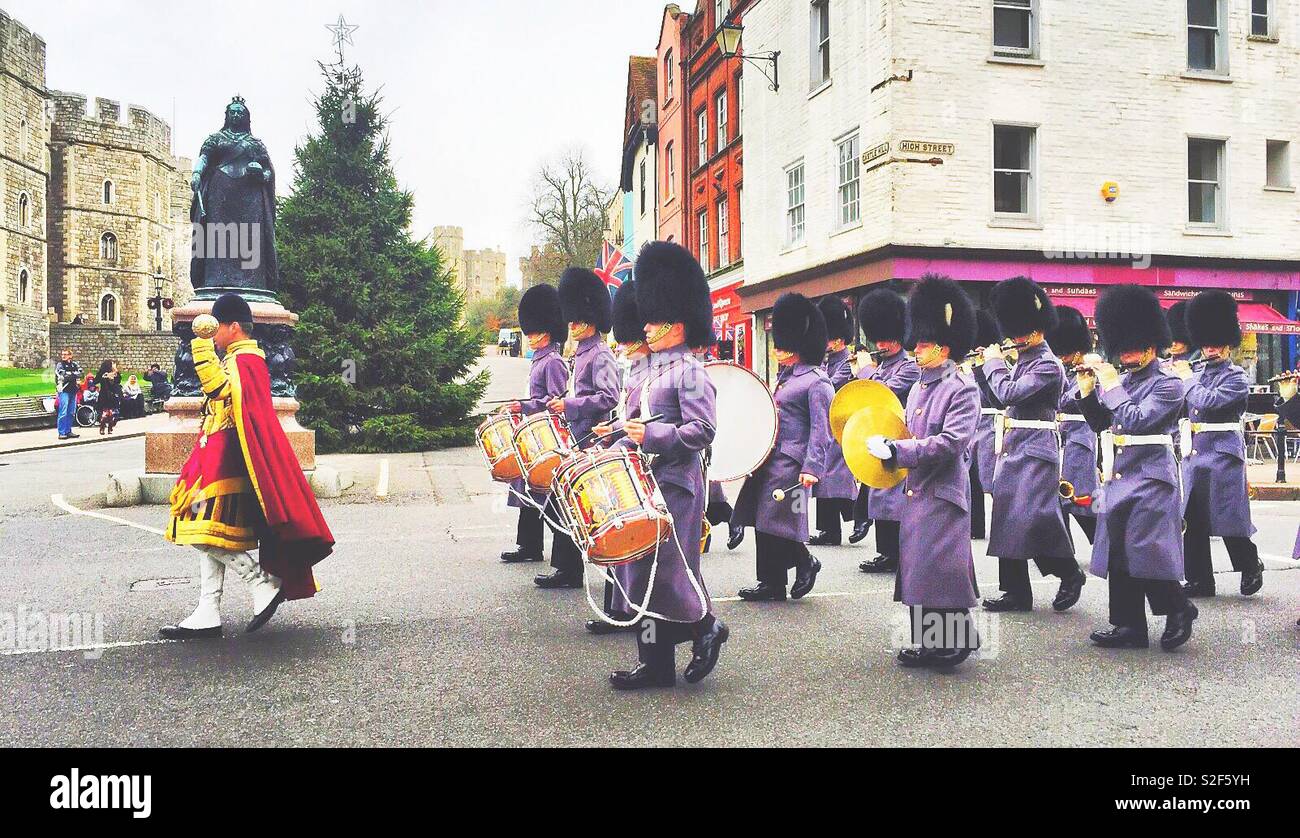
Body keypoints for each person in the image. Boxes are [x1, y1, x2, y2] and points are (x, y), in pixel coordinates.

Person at [160, 293, 333, 639]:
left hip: (225, 461)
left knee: (196, 527)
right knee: (210, 531)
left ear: (233, 327)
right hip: (221, 456)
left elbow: (219, 391)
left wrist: (201, 348)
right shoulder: (241, 359)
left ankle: (260, 582)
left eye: (218, 328)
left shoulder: (245, 361)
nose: (215, 335)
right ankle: (208, 609)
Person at [607, 241, 728, 689]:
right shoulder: (651, 369)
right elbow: (637, 424)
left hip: (677, 483)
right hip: (646, 480)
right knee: (641, 572)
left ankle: (706, 627)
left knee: (671, 569)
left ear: (677, 325)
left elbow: (703, 431)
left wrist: (652, 435)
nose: (647, 327)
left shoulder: (691, 371)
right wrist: (617, 435)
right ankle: (655, 664)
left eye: (656, 321)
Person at [866, 275, 982, 668]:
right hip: (917, 488)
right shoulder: (919, 386)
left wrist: (898, 450)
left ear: (943, 346)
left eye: (922, 343)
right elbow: (909, 432)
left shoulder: (961, 388)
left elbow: (951, 442)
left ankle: (957, 640)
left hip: (944, 489)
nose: (916, 349)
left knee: (942, 567)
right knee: (919, 566)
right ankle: (931, 641)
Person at [1076, 284, 1197, 651]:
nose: (1125, 355)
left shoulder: (1169, 384)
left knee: (1145, 550)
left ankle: (1178, 608)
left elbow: (1138, 420)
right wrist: (1085, 392)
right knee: (1119, 552)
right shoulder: (1126, 379)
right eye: (1121, 348)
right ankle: (1129, 625)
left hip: (1151, 477)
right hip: (1120, 475)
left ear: (1150, 345)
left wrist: (1111, 386)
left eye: (1132, 348)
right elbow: (1102, 422)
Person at [976, 277, 1085, 613]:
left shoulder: (1048, 364)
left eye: (1025, 331)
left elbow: (1008, 393)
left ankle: (1069, 573)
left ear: (1039, 328)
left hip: (1037, 448)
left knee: (1034, 517)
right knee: (1008, 516)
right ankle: (1015, 592)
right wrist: (983, 367)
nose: (1019, 337)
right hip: (1013, 445)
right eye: (1015, 331)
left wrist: (993, 363)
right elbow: (997, 394)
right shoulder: (1024, 358)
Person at [732, 293, 830, 602]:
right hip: (771, 456)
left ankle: (804, 561)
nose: (777, 348)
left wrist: (813, 467)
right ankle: (771, 582)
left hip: (793, 461)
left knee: (778, 518)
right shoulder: (786, 377)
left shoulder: (817, 381)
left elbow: (821, 429)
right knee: (765, 518)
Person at [1174, 291, 1264, 599]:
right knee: (1193, 519)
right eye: (1206, 342)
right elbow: (1180, 407)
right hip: (1195, 450)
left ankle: (1250, 564)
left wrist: (1185, 379)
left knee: (1228, 516)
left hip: (1224, 451)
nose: (1210, 347)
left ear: (1227, 344)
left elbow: (1208, 402)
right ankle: (1200, 579)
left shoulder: (1236, 376)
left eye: (1216, 342)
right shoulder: (1196, 371)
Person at [534, 268, 620, 589]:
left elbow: (609, 397)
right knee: (564, 505)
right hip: (577, 437)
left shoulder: (600, 355)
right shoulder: (582, 353)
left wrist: (569, 405)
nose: (571, 325)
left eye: (576, 320)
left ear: (591, 320)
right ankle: (567, 570)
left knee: (584, 508)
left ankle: (573, 570)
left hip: (593, 440)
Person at [587, 278, 650, 635]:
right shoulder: (638, 369)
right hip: (624, 459)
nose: (623, 348)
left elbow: (649, 424)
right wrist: (610, 431)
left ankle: (632, 612)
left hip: (644, 467)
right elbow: (627, 416)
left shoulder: (660, 371)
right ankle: (619, 609)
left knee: (635, 544)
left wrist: (623, 434)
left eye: (629, 341)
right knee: (618, 535)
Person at [501, 284, 569, 567]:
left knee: (544, 494)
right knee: (526, 489)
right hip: (532, 432)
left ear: (547, 331)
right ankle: (528, 544)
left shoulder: (552, 361)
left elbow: (554, 401)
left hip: (545, 436)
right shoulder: (540, 359)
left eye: (533, 331)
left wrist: (526, 406)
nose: (529, 336)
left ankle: (560, 551)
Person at [856, 288, 920, 570]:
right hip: (877, 434)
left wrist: (865, 370)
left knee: (893, 499)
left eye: (887, 339)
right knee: (878, 495)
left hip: (897, 436)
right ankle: (885, 552)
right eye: (878, 338)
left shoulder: (907, 367)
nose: (882, 343)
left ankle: (896, 554)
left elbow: (883, 393)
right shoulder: (882, 366)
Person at [809, 295, 858, 547]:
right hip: (826, 424)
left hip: (843, 424)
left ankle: (859, 515)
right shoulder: (827, 361)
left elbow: (832, 386)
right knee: (824, 481)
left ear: (838, 340)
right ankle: (829, 530)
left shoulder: (848, 364)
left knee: (836, 479)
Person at [1048, 306, 1099, 545]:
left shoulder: (1090, 369)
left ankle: (1104, 545)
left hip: (1080, 438)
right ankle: (1063, 551)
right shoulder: (1062, 368)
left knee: (1080, 500)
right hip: (1060, 437)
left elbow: (1067, 400)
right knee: (1056, 498)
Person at [54, 348, 82, 440]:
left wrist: (71, 374)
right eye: (62, 354)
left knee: (71, 412)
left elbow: (81, 373)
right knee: (63, 412)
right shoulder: (60, 365)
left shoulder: (74, 364)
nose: (63, 356)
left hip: (73, 390)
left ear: (70, 356)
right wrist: (73, 375)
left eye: (65, 354)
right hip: (64, 390)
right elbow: (63, 376)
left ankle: (68, 431)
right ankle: (61, 432)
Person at [93, 360, 122, 435]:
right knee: (105, 413)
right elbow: (95, 381)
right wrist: (103, 377)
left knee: (113, 413)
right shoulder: (102, 373)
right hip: (104, 395)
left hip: (113, 395)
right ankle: (102, 427)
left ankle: (110, 427)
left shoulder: (115, 373)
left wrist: (115, 372)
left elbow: (118, 381)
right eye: (112, 364)